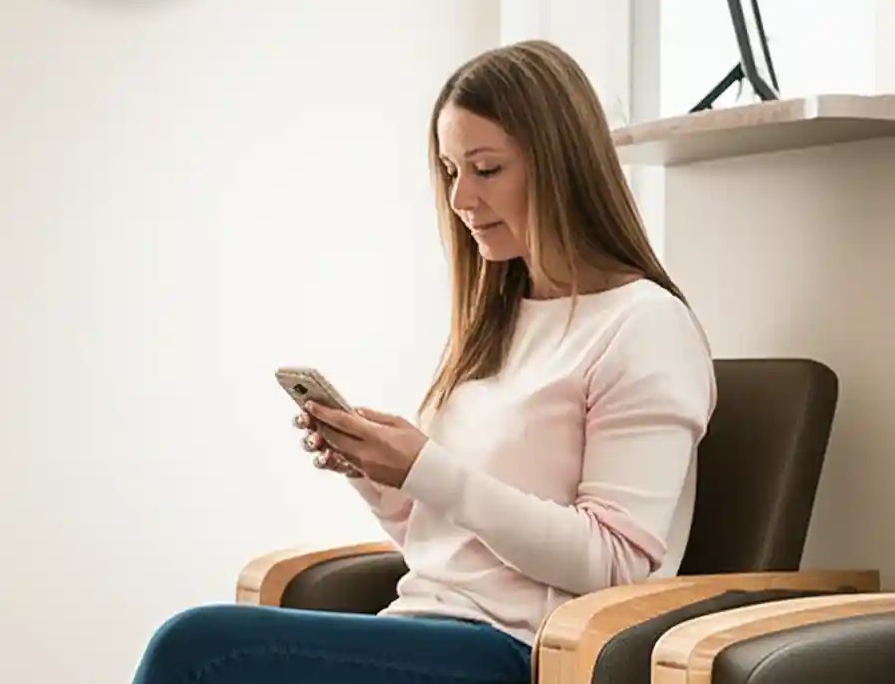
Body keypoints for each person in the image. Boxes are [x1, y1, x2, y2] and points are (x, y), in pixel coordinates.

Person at [130, 39, 717, 684]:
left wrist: (425, 468)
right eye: (449, 170)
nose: (462, 199)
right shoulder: (499, 321)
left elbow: (614, 564)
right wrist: (378, 474)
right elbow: (442, 543)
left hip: (524, 652)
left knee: (201, 648)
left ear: (561, 166)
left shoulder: (645, 326)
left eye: (486, 168)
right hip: (422, 627)